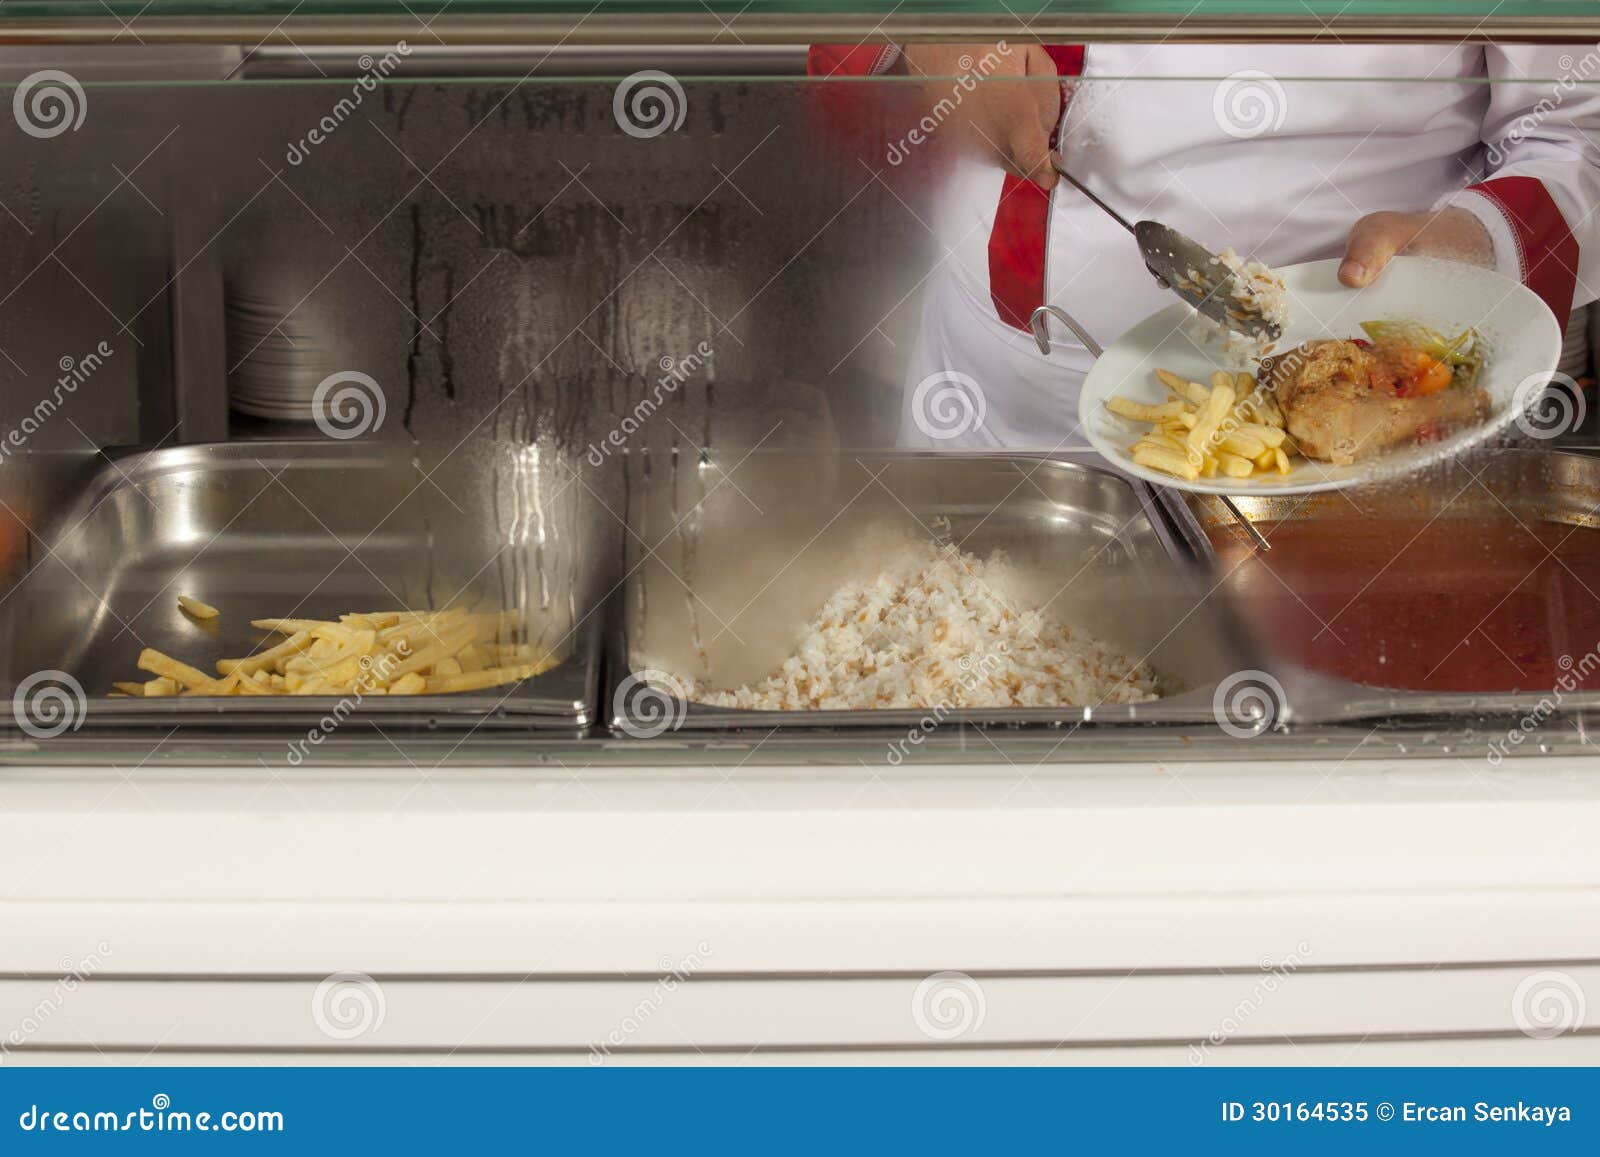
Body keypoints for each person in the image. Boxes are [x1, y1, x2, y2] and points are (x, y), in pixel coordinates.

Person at [810, 42, 1600, 449]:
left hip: (1343, 435)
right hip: (995, 413)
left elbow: (1577, 133)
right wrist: (922, 32)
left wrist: (1467, 252)